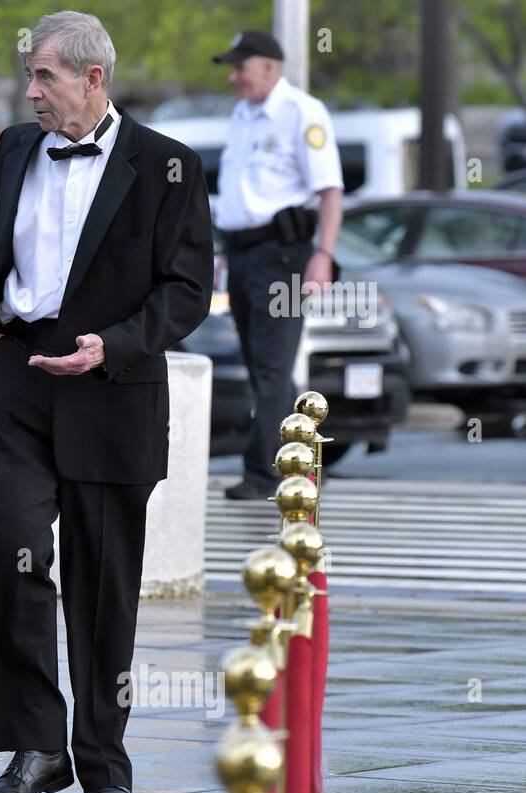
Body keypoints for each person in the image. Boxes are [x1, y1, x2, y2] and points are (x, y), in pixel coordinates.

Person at [0, 11, 212, 793]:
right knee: (19, 552)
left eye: (44, 77)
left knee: (106, 590)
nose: (30, 91)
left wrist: (113, 347)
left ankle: (107, 764)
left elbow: (185, 290)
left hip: (113, 387)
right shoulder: (13, 148)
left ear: (92, 78)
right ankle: (37, 749)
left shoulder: (168, 165)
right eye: (30, 77)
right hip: (21, 377)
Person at [213, 30, 344, 500]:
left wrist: (322, 256)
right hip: (245, 254)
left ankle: (262, 472)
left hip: (286, 256)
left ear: (269, 67)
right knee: (265, 368)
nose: (233, 78)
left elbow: (330, 190)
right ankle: (298, 457)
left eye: (240, 68)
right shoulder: (243, 114)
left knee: (271, 367)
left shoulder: (302, 113)